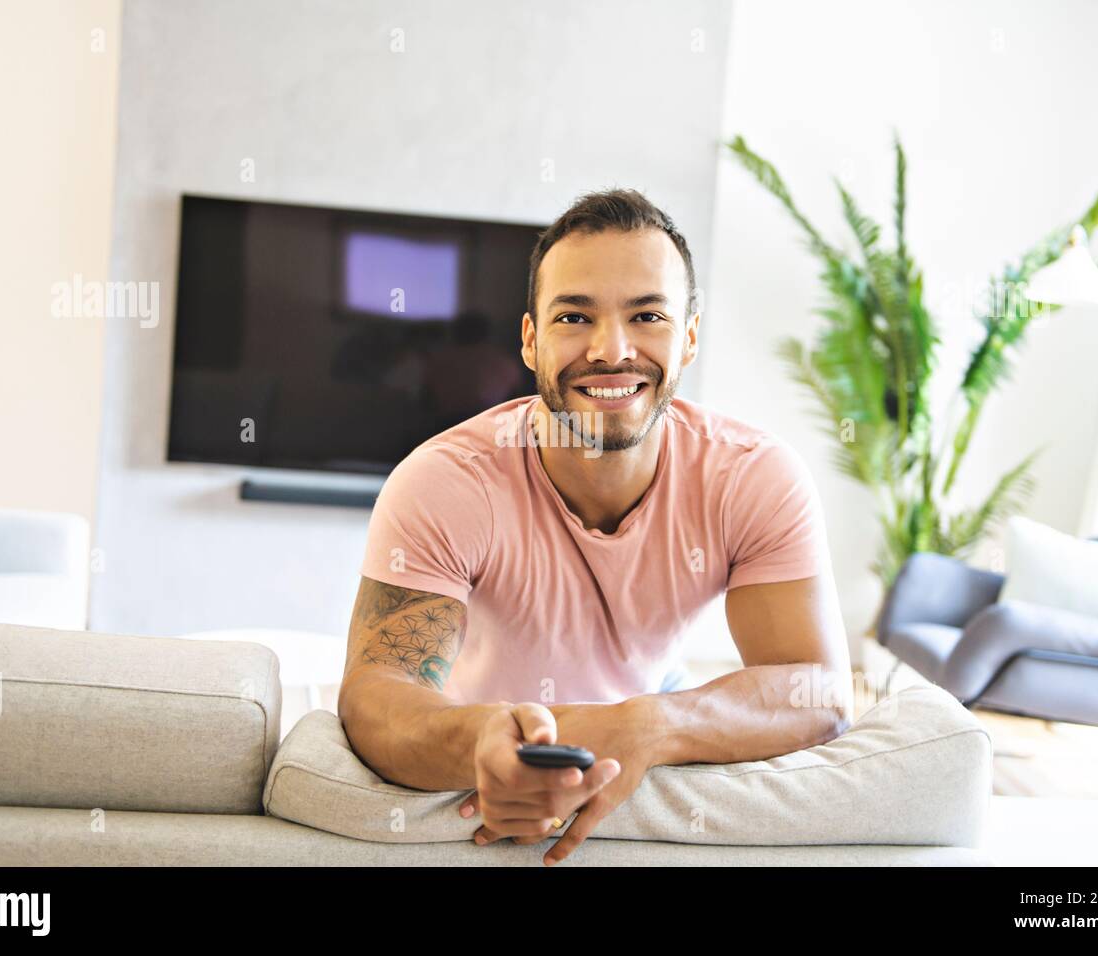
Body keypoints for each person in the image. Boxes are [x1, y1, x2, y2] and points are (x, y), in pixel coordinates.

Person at [339, 188, 853, 866]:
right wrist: (482, 742)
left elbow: (816, 689)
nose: (611, 350)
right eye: (575, 316)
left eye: (647, 315)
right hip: (473, 739)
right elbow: (376, 693)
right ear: (530, 339)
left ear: (690, 336)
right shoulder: (444, 482)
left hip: (652, 715)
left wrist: (651, 723)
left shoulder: (755, 476)